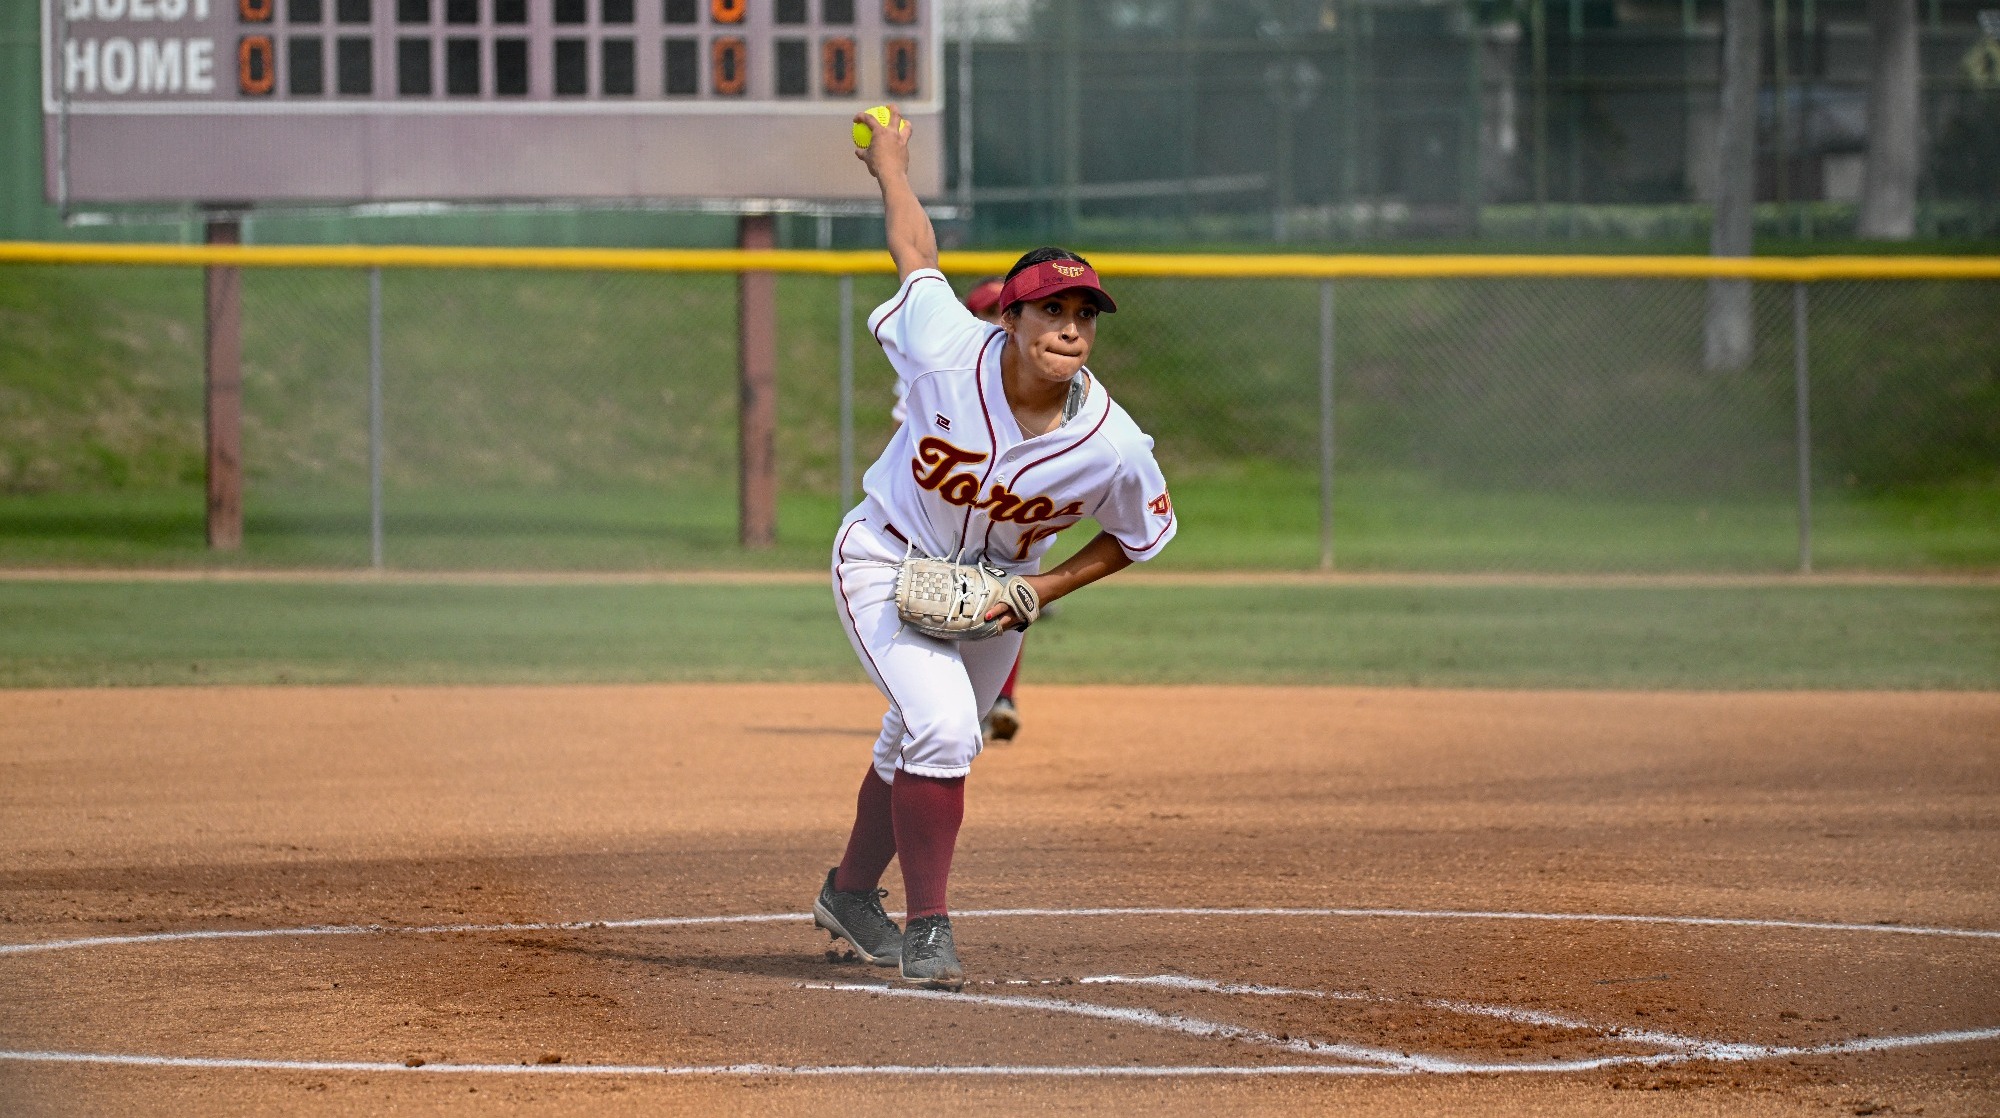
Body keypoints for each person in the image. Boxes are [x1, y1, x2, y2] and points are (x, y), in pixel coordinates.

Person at [812, 106, 1177, 989]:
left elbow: (1141, 534)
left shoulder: (1113, 444)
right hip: (885, 557)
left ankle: (850, 894)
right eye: (1052, 308)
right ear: (1008, 319)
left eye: (1085, 314)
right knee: (941, 727)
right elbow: (916, 253)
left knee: (918, 740)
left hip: (998, 594)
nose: (1071, 328)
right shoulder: (947, 348)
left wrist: (1039, 591)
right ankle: (931, 928)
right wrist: (891, 167)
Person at [895, 276, 1027, 746]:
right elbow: (911, 431)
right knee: (937, 602)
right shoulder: (941, 360)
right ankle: (934, 703)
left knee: (1007, 599)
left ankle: (1001, 700)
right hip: (942, 512)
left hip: (1005, 515)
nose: (996, 320)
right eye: (988, 310)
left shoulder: (1034, 370)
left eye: (1003, 310)